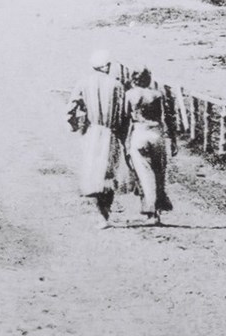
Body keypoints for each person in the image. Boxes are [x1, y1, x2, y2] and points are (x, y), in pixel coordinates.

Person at [65, 49, 130, 225]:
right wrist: (124, 136)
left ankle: (100, 214)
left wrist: (75, 126)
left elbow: (70, 109)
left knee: (94, 173)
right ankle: (106, 214)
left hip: (91, 133)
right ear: (106, 66)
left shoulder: (83, 83)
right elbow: (125, 114)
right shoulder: (117, 85)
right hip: (111, 133)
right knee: (108, 173)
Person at [124, 68, 176, 225]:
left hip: (139, 132)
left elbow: (126, 118)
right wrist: (172, 139)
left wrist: (125, 140)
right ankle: (157, 210)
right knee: (159, 172)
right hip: (156, 133)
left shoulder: (130, 95)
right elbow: (167, 117)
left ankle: (150, 211)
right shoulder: (157, 95)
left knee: (144, 173)